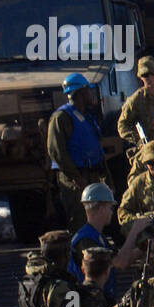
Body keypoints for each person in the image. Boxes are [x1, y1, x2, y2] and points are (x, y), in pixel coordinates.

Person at [47, 73, 108, 228]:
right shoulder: (61, 118)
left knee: (96, 221)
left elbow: (97, 149)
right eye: (88, 89)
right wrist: (76, 177)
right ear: (80, 92)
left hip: (91, 175)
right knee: (80, 222)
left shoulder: (87, 117)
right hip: (75, 180)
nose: (91, 93)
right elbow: (56, 152)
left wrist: (107, 179)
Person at [69, 181, 142, 302]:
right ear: (101, 207)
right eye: (110, 207)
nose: (111, 212)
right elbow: (120, 262)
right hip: (85, 302)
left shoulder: (96, 236)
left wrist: (144, 248)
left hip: (95, 298)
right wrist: (135, 231)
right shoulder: (86, 240)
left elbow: (120, 258)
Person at [116, 56, 154, 152]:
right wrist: (139, 141)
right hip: (150, 152)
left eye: (152, 73)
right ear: (140, 77)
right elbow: (122, 125)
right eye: (145, 75)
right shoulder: (136, 100)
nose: (149, 78)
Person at [117, 140, 154, 226]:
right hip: (151, 230)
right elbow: (123, 212)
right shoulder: (138, 183)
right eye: (152, 163)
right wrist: (141, 224)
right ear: (146, 165)